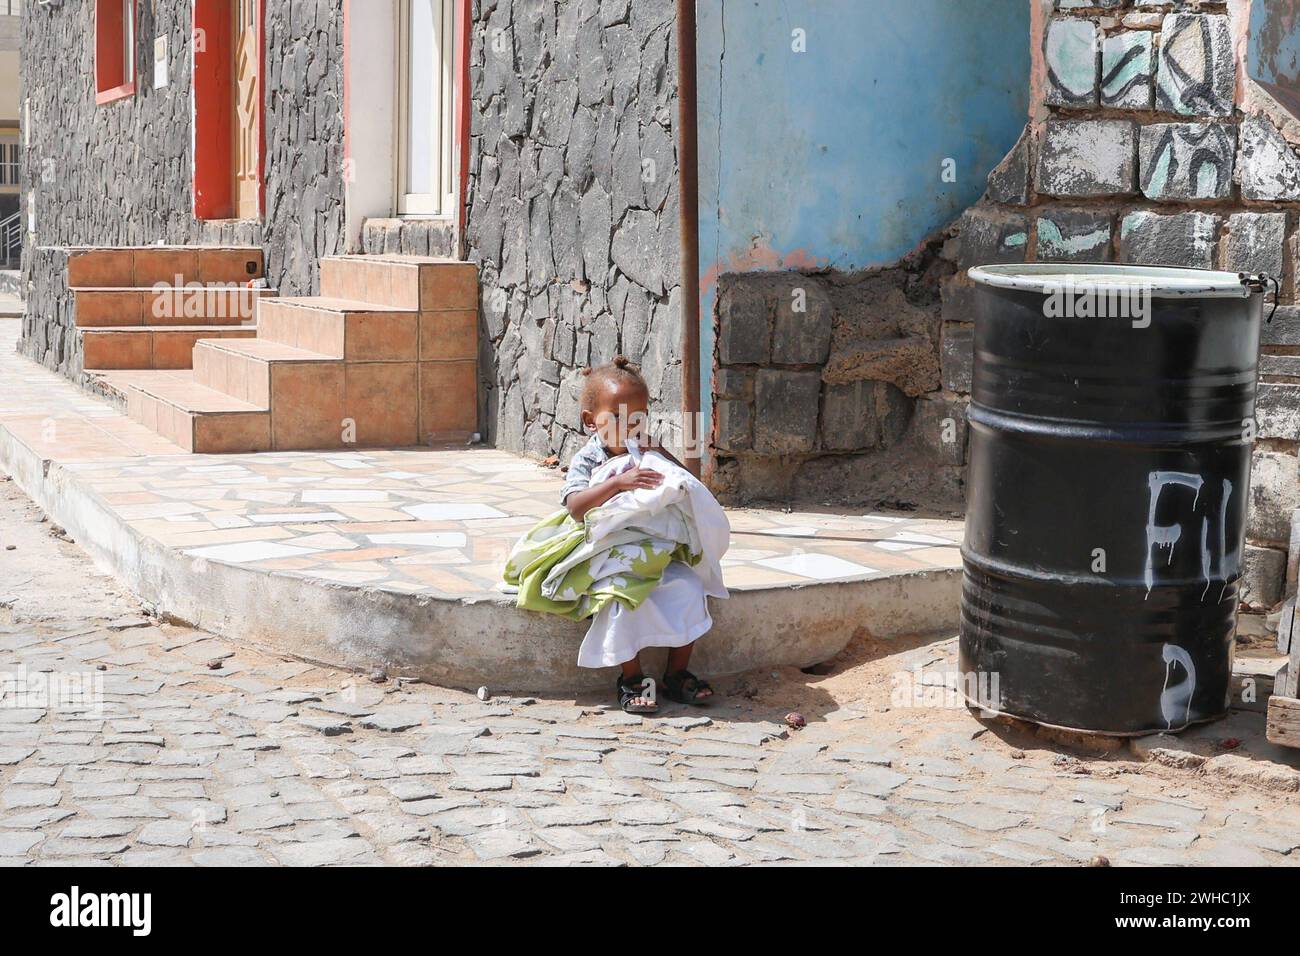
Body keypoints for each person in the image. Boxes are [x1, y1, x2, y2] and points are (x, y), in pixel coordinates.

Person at [561, 356, 718, 713]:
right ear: (590, 421)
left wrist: (661, 457)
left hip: (653, 552)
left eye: (638, 418)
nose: (629, 426)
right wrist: (617, 482)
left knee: (689, 589)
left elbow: (681, 484)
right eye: (616, 417)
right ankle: (632, 679)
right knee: (620, 601)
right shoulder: (589, 460)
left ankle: (677, 674)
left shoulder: (645, 449)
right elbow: (575, 506)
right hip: (609, 558)